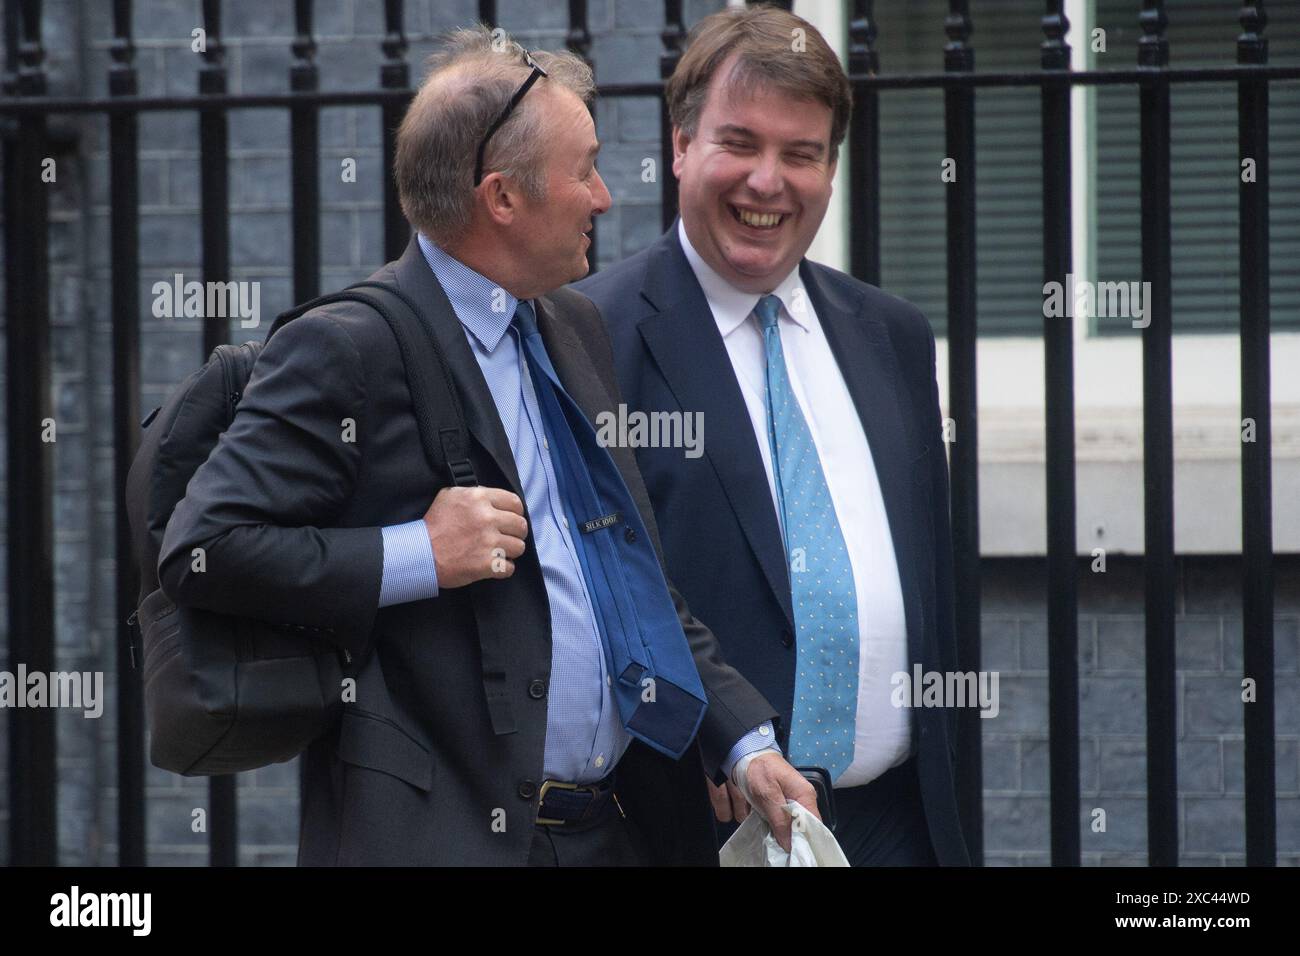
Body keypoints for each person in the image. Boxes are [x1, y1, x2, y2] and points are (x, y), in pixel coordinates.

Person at [158, 25, 815, 867]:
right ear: (502, 198)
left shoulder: (570, 323)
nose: (605, 196)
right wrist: (417, 553)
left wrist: (743, 743)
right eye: (584, 169)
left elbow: (624, 572)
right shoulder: (349, 346)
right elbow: (205, 548)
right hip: (446, 840)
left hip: (612, 831)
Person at [573, 5, 971, 866]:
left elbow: (936, 583)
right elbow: (599, 587)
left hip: (900, 825)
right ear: (680, 147)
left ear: (830, 168)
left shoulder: (893, 335)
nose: (768, 181)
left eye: (801, 154)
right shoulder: (587, 336)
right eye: (739, 144)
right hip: (698, 835)